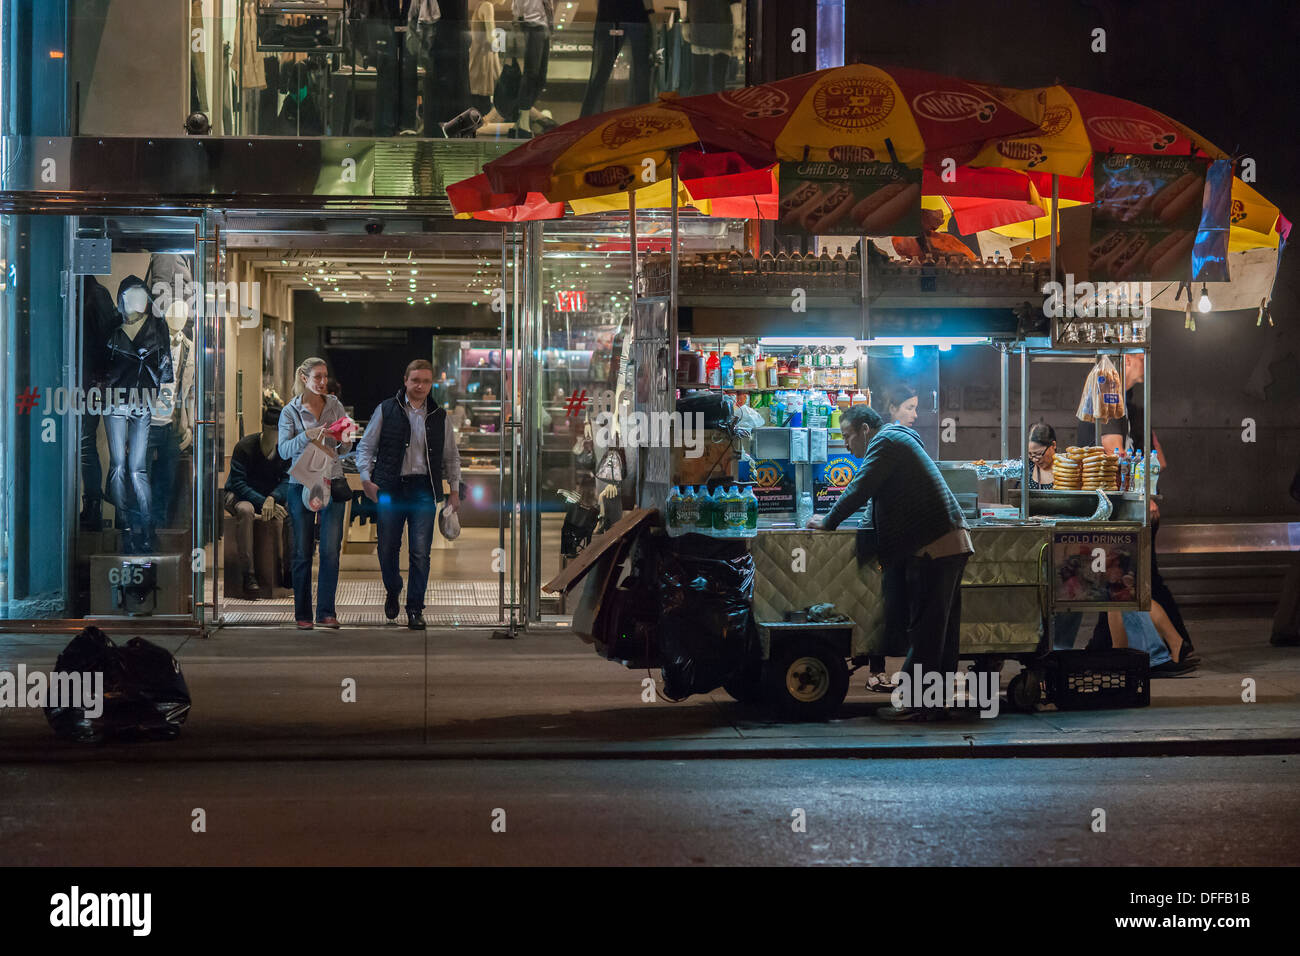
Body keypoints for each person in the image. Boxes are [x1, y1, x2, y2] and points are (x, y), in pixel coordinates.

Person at [806, 405, 974, 720]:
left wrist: (828, 521)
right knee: (941, 631)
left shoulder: (885, 442)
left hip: (934, 546)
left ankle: (915, 704)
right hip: (949, 542)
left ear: (865, 429)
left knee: (927, 631)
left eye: (847, 436)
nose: (845, 445)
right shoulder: (898, 442)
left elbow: (859, 488)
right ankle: (934, 706)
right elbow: (874, 499)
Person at [1089, 353, 1197, 662]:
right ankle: (1113, 650)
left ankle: (1174, 643)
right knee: (1123, 584)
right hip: (1137, 507)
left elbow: (1117, 456)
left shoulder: (1124, 413)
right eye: (1137, 357)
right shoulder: (1125, 412)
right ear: (1123, 366)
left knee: (1127, 583)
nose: (1144, 361)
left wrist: (1141, 494)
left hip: (1131, 509)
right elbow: (1154, 460)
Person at [356, 359, 462, 629]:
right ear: (405, 380)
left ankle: (415, 608)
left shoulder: (439, 415)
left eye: (426, 381)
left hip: (423, 490)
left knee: (420, 553)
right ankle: (393, 588)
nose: (420, 386)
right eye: (415, 380)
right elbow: (366, 447)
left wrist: (454, 490)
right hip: (390, 487)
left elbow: (451, 456)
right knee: (387, 547)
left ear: (431, 384)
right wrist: (366, 479)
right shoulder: (387, 409)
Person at [280, 357, 356, 630]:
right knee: (301, 552)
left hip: (331, 480)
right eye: (317, 377)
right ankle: (303, 614)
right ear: (304, 378)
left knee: (330, 550)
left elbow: (345, 450)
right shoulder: (290, 411)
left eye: (325, 376)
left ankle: (326, 611)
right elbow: (283, 451)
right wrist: (307, 436)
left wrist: (346, 439)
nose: (323, 382)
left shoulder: (334, 405)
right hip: (300, 483)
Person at [224, 404, 292, 599]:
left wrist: (273, 498)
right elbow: (237, 483)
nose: (276, 433)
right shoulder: (245, 447)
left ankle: (288, 572)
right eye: (272, 428)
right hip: (239, 497)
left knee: (290, 511)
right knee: (245, 511)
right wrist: (264, 501)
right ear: (264, 427)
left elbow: (288, 479)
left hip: (267, 497)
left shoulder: (285, 450)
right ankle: (248, 574)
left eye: (280, 429)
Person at [1026, 422, 1057, 489]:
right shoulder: (1026, 468)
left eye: (1038, 454)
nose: (1035, 459)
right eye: (1030, 454)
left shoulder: (1068, 468)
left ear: (1053, 445)